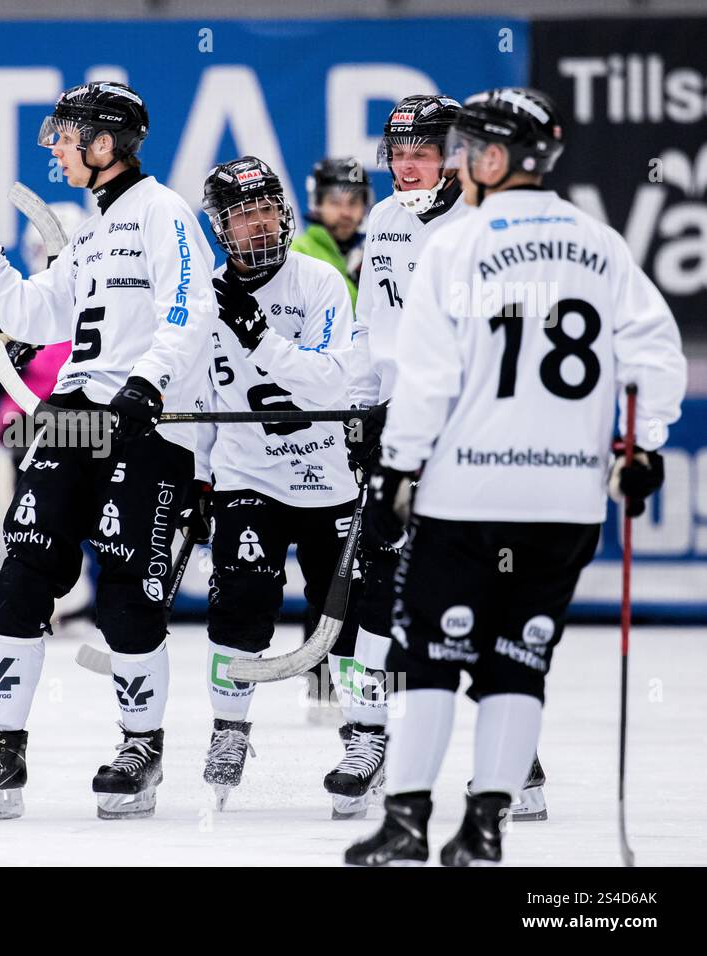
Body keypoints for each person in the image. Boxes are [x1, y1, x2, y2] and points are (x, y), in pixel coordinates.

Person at [346, 87, 686, 866]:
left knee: (432, 655)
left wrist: (397, 468)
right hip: (567, 498)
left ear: (497, 158)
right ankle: (487, 824)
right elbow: (654, 359)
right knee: (518, 660)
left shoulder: (456, 248)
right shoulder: (599, 243)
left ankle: (405, 823)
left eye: (466, 150)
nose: (455, 162)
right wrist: (640, 449)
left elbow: (427, 380)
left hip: (468, 491)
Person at [0, 81, 215, 821]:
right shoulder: (88, 231)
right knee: (22, 573)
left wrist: (147, 385)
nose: (55, 146)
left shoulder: (163, 211)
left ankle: (141, 748)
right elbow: (31, 312)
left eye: (67, 134)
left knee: (126, 588)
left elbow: (190, 306)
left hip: (145, 420)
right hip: (72, 416)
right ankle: (2, 749)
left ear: (107, 143)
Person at [191, 157, 359, 811]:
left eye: (265, 209)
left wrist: (258, 334)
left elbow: (328, 382)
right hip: (246, 474)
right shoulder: (202, 294)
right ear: (221, 231)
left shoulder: (320, 280)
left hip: (326, 475)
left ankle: (364, 736)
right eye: (241, 216)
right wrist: (200, 481)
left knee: (349, 617)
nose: (258, 225)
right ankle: (229, 730)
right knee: (237, 607)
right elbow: (199, 397)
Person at [337, 94, 470, 815]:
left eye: (423, 152)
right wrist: (361, 406)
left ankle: (517, 757)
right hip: (389, 432)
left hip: (456, 436)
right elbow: (366, 330)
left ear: (453, 157)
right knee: (372, 592)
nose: (407, 166)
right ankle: (367, 737)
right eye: (398, 152)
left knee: (466, 594)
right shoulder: (384, 219)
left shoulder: (479, 226)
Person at [291, 158, 372, 303]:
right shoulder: (296, 255)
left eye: (353, 202)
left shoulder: (375, 254)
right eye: (335, 202)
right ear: (316, 204)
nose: (345, 212)